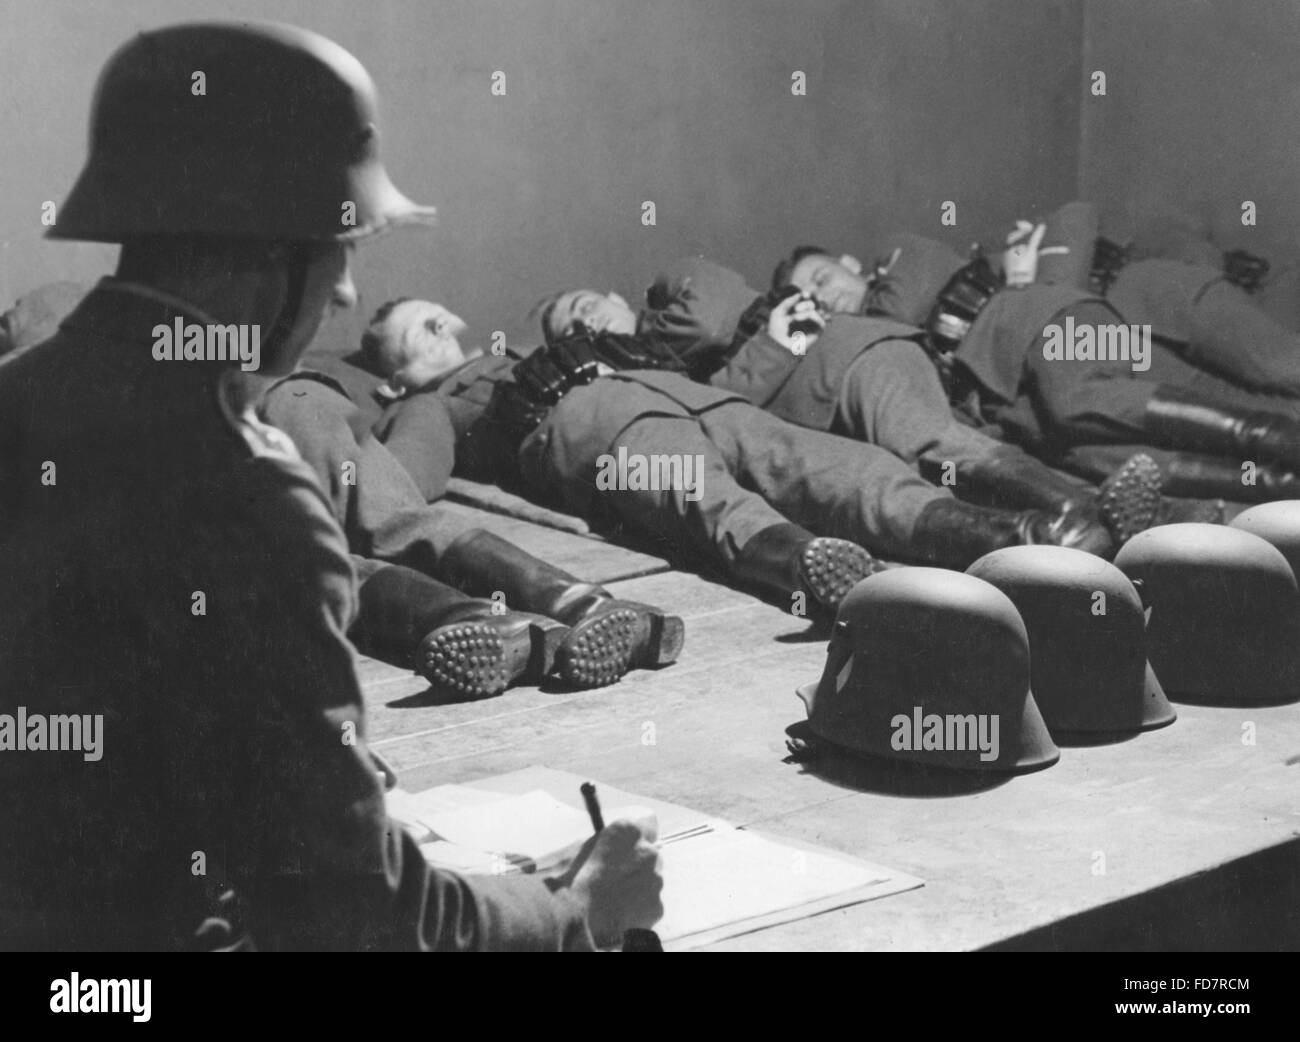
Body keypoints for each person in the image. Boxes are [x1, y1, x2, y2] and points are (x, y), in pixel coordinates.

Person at [0, 21, 660, 952]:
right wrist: (570, 913)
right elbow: (354, 920)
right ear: (267, 250)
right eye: (338, 246)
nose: (346, 294)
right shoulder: (246, 493)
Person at [354, 294, 1134, 609]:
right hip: (592, 427)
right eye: (418, 329)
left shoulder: (544, 342)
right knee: (709, 500)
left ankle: (1027, 538)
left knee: (851, 471)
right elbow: (405, 481)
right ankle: (808, 567)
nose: (443, 324)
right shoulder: (428, 403)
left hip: (696, 399)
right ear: (390, 375)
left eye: (439, 314)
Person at [772, 226, 1300, 501]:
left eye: (821, 279)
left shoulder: (904, 263)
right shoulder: (874, 351)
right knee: (1095, 460)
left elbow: (898, 311)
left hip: (1042, 324)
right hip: (1011, 389)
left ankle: (1277, 439)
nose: (827, 297)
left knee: (1075, 402)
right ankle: (1278, 482)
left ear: (847, 264)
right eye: (811, 300)